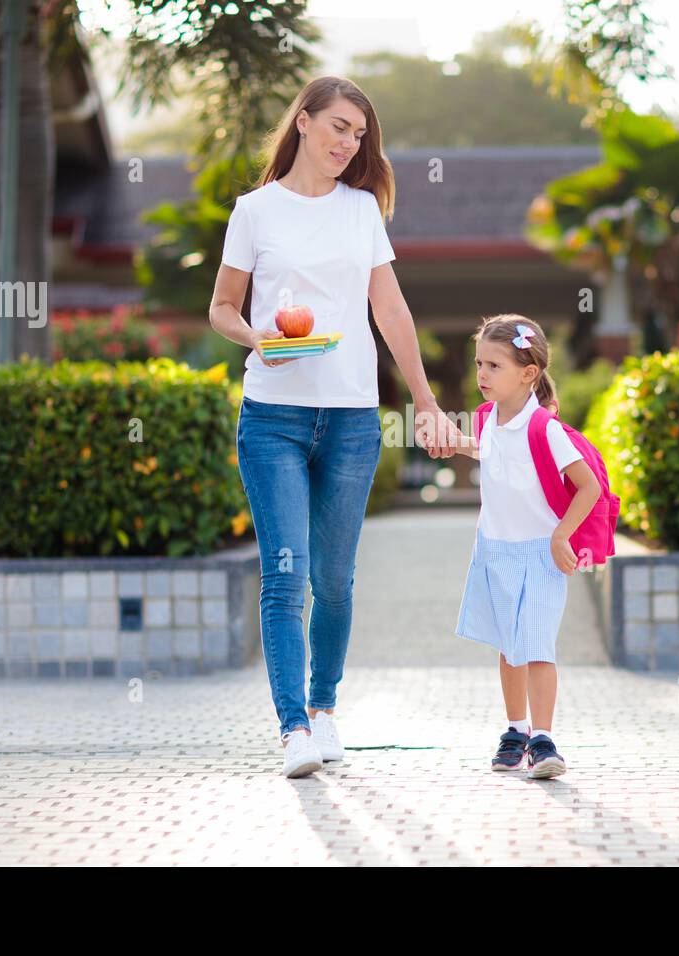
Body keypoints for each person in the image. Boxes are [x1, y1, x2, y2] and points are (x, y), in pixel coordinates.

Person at [208, 76, 460, 778]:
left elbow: (391, 311)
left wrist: (425, 401)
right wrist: (257, 339)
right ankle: (292, 728)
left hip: (351, 419)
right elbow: (222, 307)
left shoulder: (361, 210)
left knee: (337, 581)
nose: (349, 143)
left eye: (359, 135)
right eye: (339, 127)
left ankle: (324, 710)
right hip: (273, 418)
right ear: (304, 121)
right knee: (286, 577)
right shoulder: (255, 211)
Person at [448, 314, 602, 778]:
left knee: (537, 647)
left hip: (540, 556)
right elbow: (491, 450)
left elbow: (589, 486)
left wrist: (560, 536)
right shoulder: (488, 419)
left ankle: (543, 738)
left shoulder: (545, 428)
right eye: (479, 363)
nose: (481, 374)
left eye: (494, 366)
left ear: (528, 373)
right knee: (508, 646)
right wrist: (456, 445)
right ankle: (515, 731)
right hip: (495, 552)